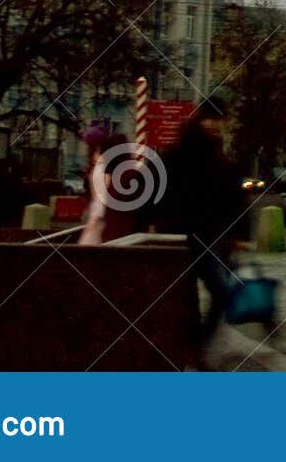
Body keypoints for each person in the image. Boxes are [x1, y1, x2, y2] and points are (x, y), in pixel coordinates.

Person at [160, 99, 246, 365]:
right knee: (190, 297)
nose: (215, 125)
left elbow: (233, 195)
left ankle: (195, 346)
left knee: (219, 294)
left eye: (219, 120)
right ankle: (191, 350)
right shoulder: (181, 152)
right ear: (200, 120)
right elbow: (159, 189)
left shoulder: (217, 154)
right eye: (211, 119)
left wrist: (238, 232)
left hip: (206, 238)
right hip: (180, 237)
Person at [77, 127, 139, 245]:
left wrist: (92, 225)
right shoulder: (129, 172)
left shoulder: (103, 170)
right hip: (125, 233)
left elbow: (101, 204)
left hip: (112, 232)